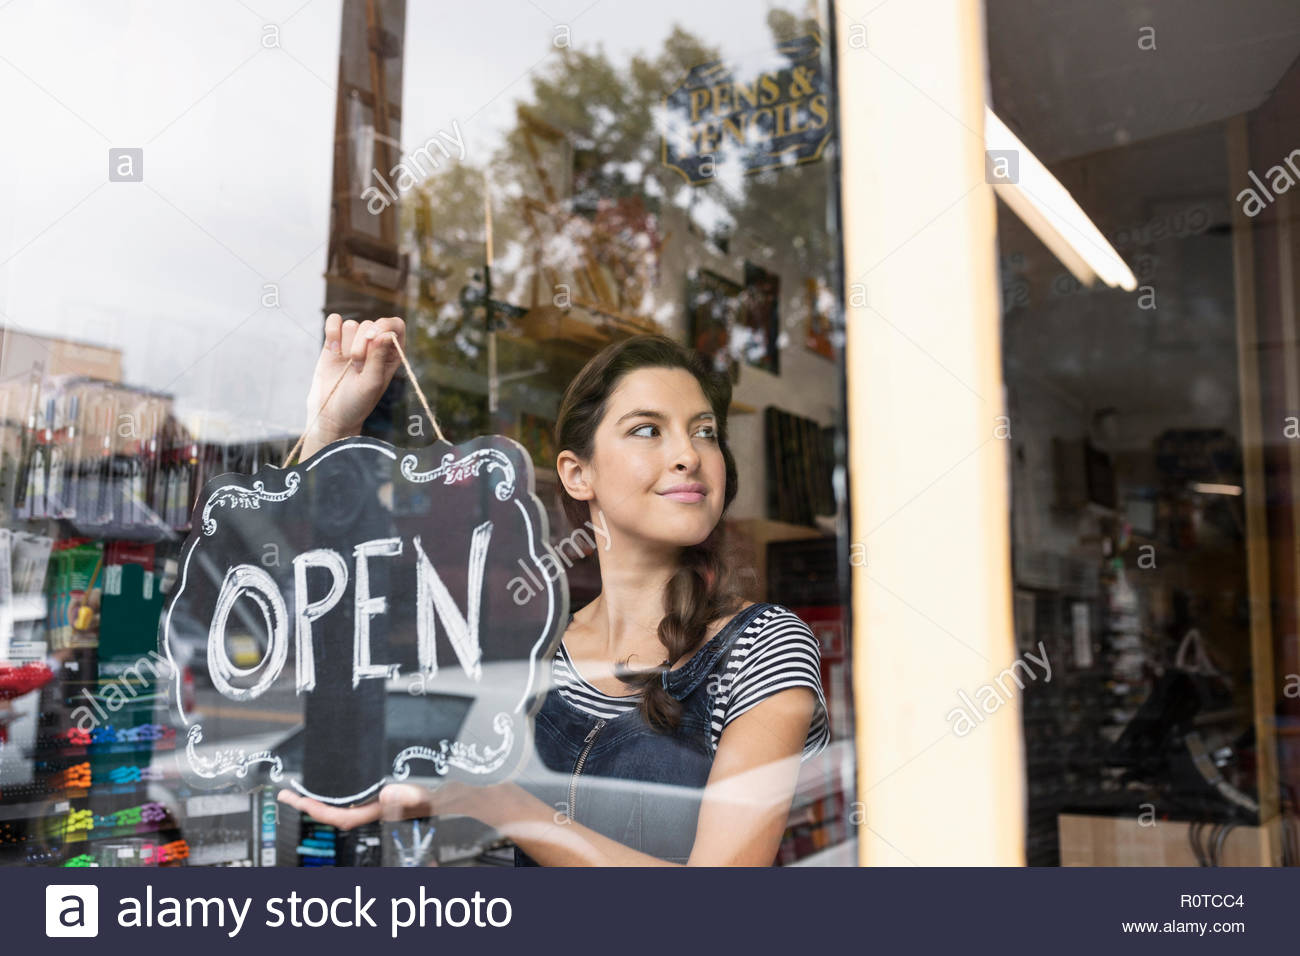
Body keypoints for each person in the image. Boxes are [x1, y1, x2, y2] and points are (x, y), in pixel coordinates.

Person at [278, 313, 830, 866]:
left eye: (704, 431)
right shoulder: (534, 643)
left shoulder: (764, 648)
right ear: (575, 474)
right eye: (647, 429)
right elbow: (341, 618)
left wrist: (496, 801)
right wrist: (329, 430)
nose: (689, 454)